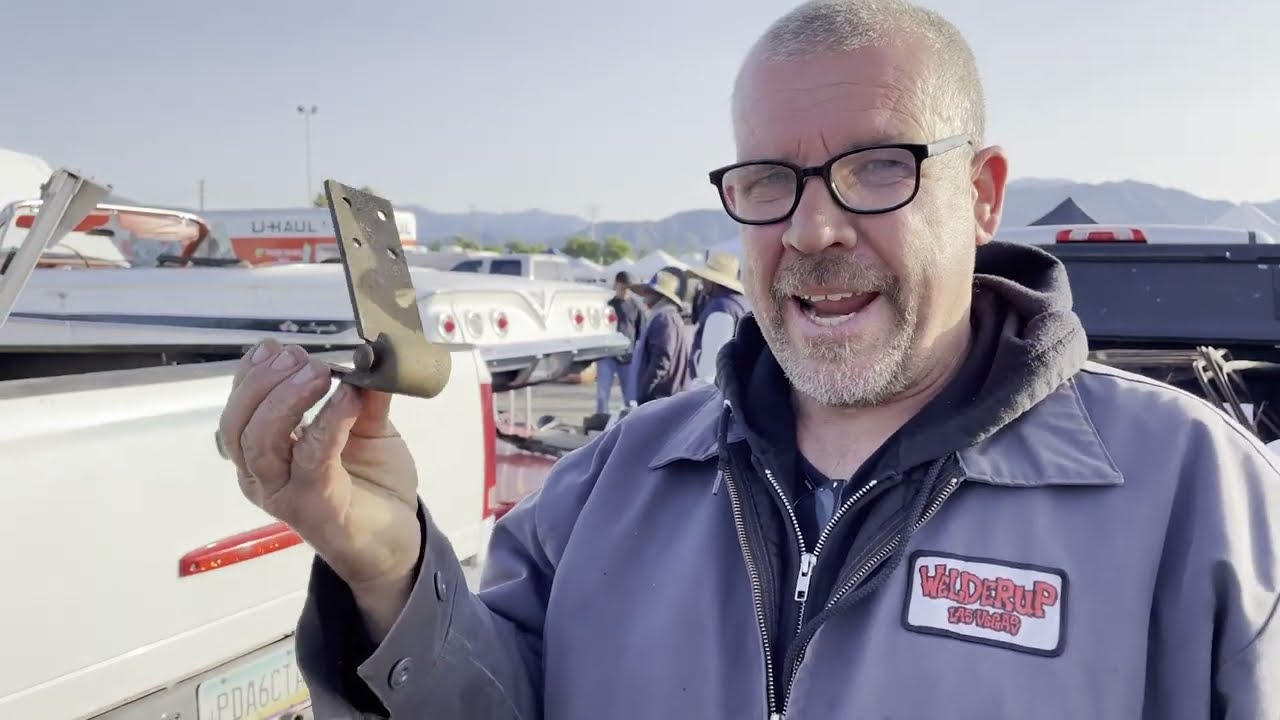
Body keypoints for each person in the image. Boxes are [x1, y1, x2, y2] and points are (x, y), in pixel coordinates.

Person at [217, 1, 1280, 717]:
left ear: (982, 194)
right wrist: (388, 571)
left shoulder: (1195, 495)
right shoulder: (610, 483)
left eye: (877, 167)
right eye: (769, 181)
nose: (812, 230)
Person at [688, 250, 750, 385]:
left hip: (718, 389)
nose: (702, 281)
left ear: (713, 281)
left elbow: (710, 367)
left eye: (705, 278)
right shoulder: (740, 303)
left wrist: (700, 391)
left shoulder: (721, 309)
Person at [632, 269, 693, 404]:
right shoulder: (666, 316)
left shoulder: (664, 318)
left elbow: (662, 359)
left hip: (662, 395)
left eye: (649, 291)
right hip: (667, 394)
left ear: (660, 295)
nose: (644, 295)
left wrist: (644, 391)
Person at [594, 270, 645, 414]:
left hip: (628, 356)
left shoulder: (636, 306)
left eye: (628, 288)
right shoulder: (608, 305)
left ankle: (630, 420)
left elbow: (641, 331)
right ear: (616, 285)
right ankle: (601, 419)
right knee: (602, 394)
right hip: (607, 355)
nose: (625, 291)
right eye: (622, 287)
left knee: (630, 397)